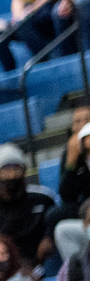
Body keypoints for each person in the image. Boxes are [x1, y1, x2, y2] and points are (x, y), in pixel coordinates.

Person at [0, 144, 57, 273]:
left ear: (24, 172)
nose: (11, 175)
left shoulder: (44, 197)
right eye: (5, 170)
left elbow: (54, 229)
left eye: (16, 169)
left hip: (40, 269)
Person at [0, 0, 77, 73]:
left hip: (48, 9)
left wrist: (32, 9)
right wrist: (18, 16)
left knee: (24, 24)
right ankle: (11, 77)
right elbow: (16, 0)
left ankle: (44, 66)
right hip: (28, 16)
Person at [50, 112, 90, 264]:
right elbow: (66, 196)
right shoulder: (70, 155)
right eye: (77, 122)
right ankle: (76, 269)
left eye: (87, 120)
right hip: (85, 213)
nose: (82, 126)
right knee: (58, 222)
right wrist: (72, 162)